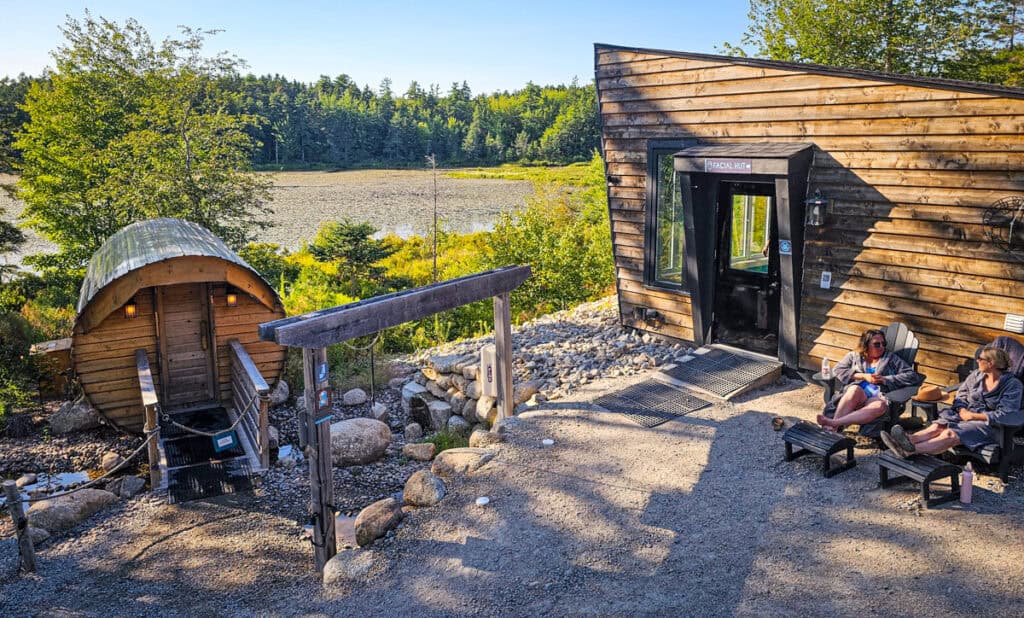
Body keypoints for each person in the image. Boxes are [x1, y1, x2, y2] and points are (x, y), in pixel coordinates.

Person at [882, 346, 1023, 457]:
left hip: (989, 426)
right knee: (937, 427)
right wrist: (962, 410)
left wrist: (974, 416)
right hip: (963, 415)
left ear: (991, 363)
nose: (977, 361)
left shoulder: (1012, 385)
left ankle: (908, 451)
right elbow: (961, 395)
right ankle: (905, 441)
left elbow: (1007, 413)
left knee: (950, 433)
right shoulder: (976, 376)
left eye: (980, 359)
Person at [816, 328, 920, 432]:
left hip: (878, 396)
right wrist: (863, 376)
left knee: (880, 406)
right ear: (866, 344)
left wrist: (886, 379)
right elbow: (838, 369)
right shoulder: (854, 356)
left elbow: (911, 375)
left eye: (883, 343)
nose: (881, 347)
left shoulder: (890, 358)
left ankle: (834, 424)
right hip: (858, 395)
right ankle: (834, 428)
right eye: (877, 344)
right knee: (853, 390)